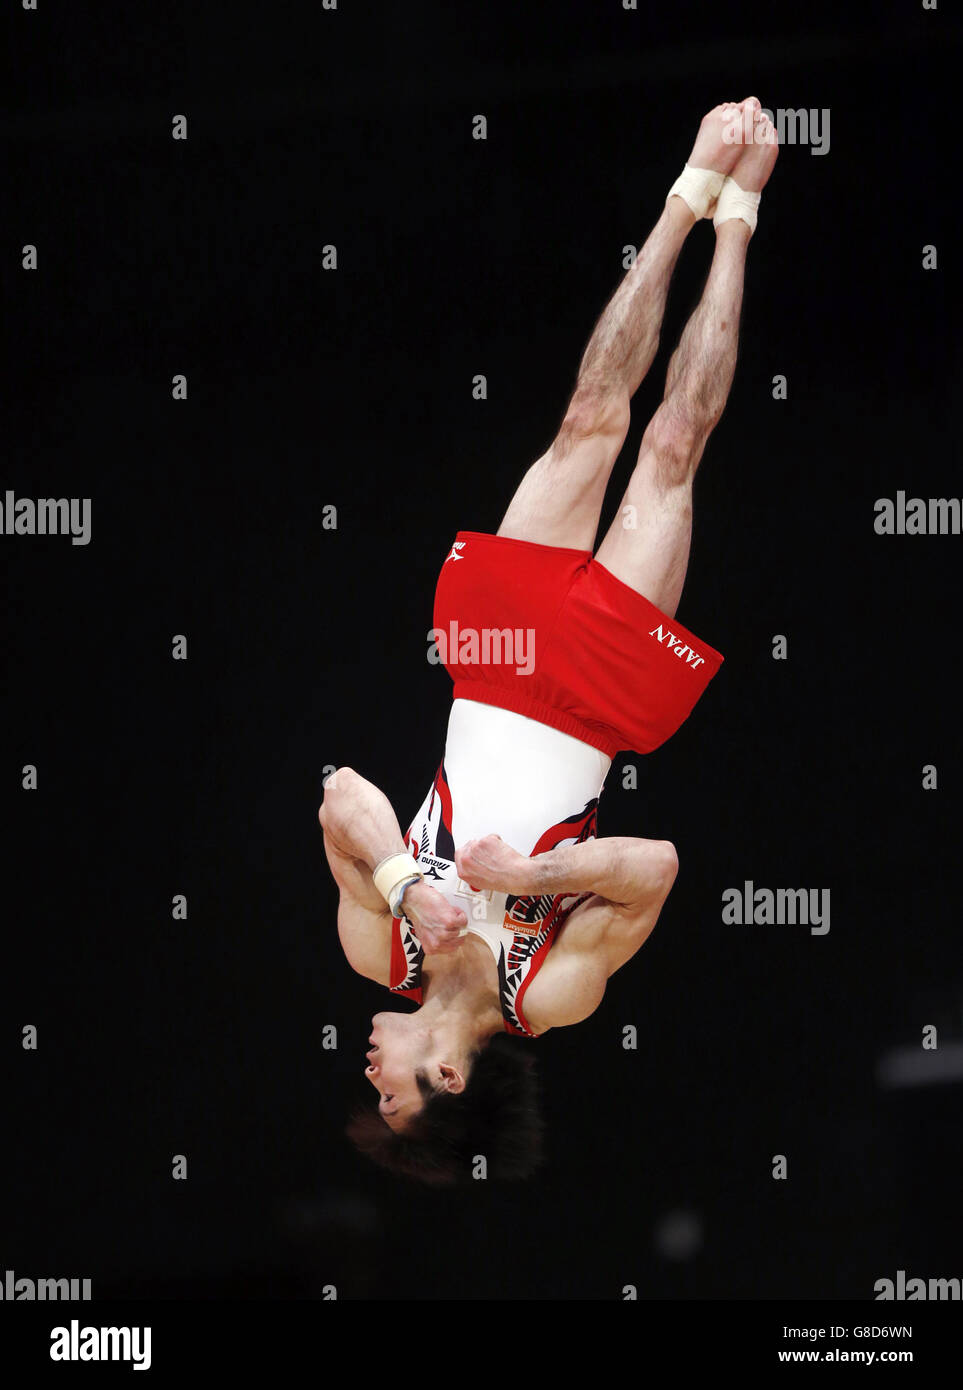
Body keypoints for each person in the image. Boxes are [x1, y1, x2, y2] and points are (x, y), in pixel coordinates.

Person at [319, 98, 779, 1184]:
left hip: (493, 659)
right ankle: (743, 218)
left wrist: (401, 883)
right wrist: (537, 870)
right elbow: (656, 869)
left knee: (590, 415)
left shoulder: (374, 945)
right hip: (596, 699)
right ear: (449, 1081)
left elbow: (339, 791)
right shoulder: (551, 996)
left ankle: (689, 191)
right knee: (672, 446)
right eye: (385, 1089)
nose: (369, 1066)